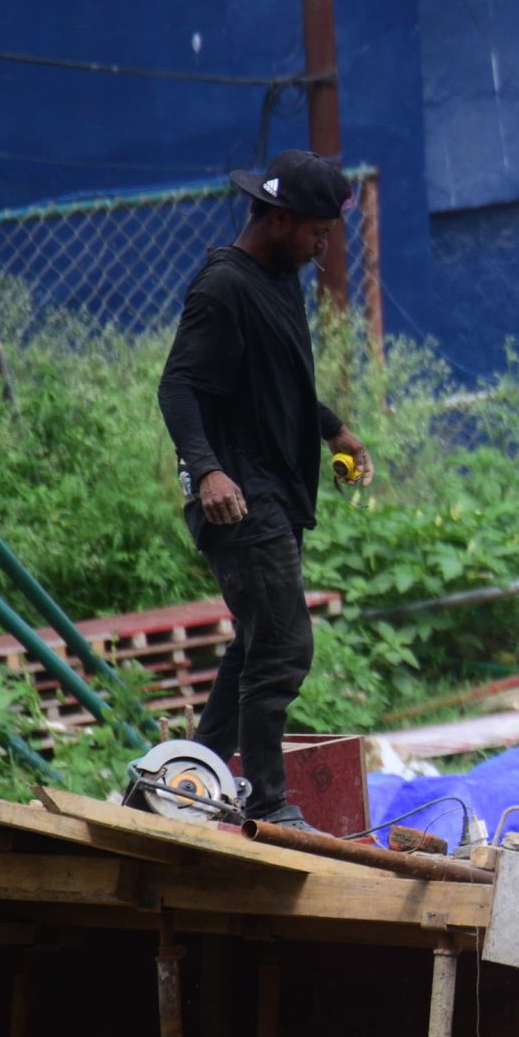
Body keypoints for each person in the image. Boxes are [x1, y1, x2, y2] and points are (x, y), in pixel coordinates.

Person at [155, 151, 371, 828]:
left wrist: (335, 429)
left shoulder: (279, 278)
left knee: (255, 642)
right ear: (279, 219)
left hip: (273, 490)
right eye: (316, 232)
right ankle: (268, 805)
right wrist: (208, 468)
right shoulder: (223, 287)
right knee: (283, 645)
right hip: (239, 496)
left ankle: (186, 784)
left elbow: (282, 383)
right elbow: (179, 386)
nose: (323, 246)